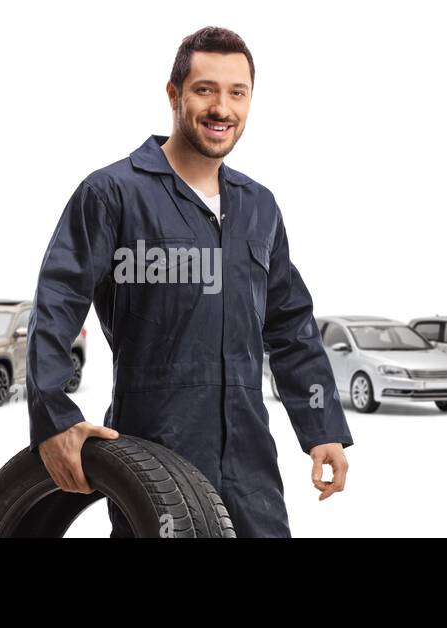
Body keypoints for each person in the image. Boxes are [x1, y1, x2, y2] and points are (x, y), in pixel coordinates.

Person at [26, 26, 352, 537]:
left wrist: (322, 428)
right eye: (205, 89)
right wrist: (54, 417)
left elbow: (290, 326)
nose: (222, 107)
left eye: (236, 93)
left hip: (250, 461)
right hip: (156, 450)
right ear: (174, 95)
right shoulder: (113, 193)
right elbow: (58, 302)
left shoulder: (259, 206)